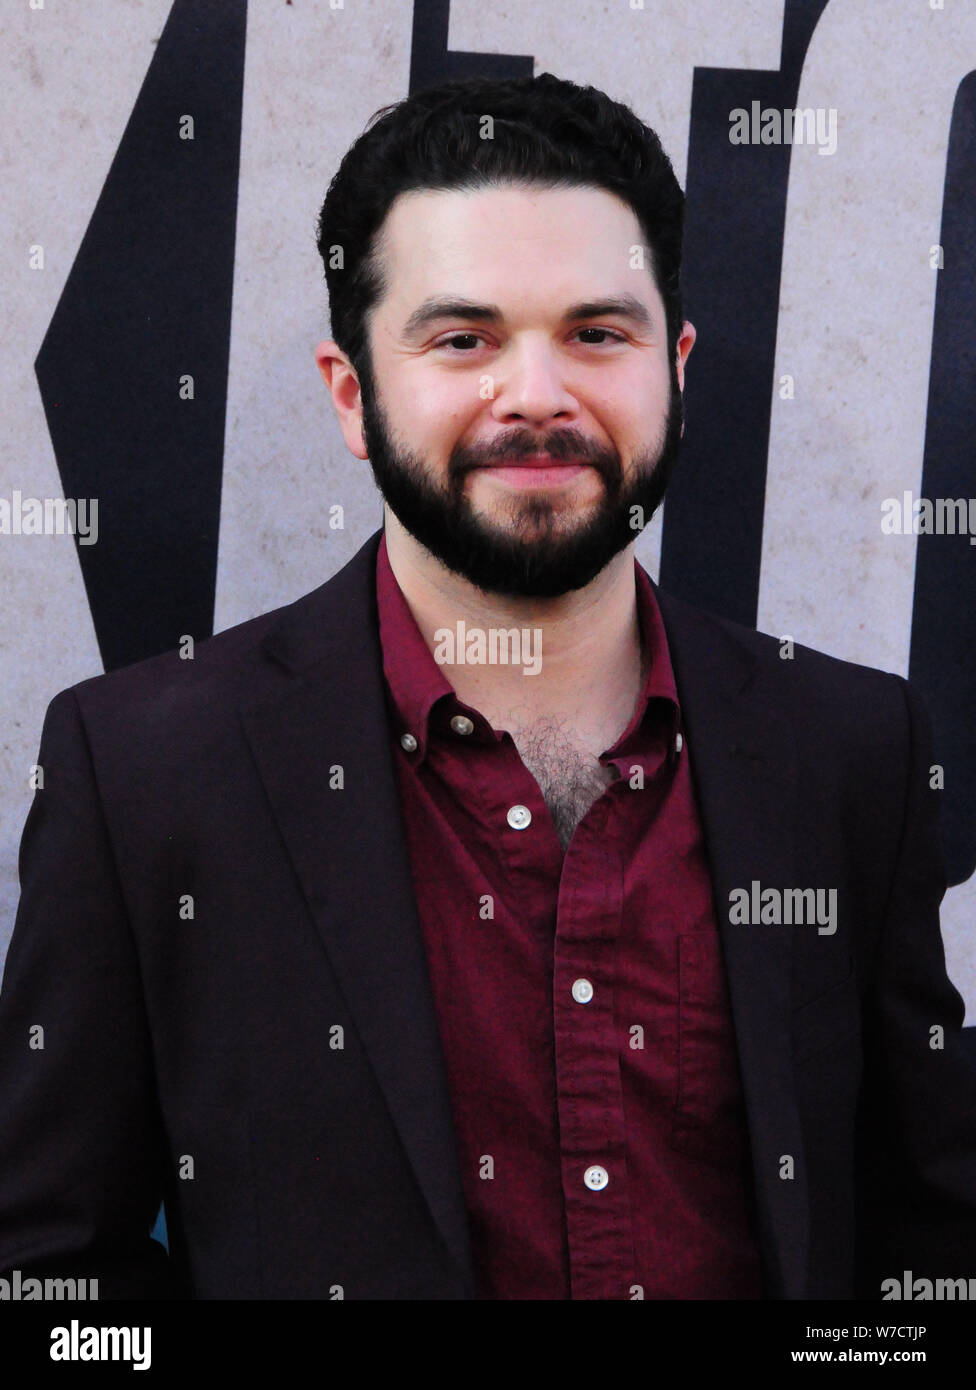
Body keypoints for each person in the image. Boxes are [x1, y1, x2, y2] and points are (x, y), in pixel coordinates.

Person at [1, 72, 974, 1301]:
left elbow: (934, 1247)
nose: (536, 395)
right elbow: (45, 1292)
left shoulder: (848, 747)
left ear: (674, 365)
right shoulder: (143, 770)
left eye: (595, 332)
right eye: (462, 338)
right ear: (353, 393)